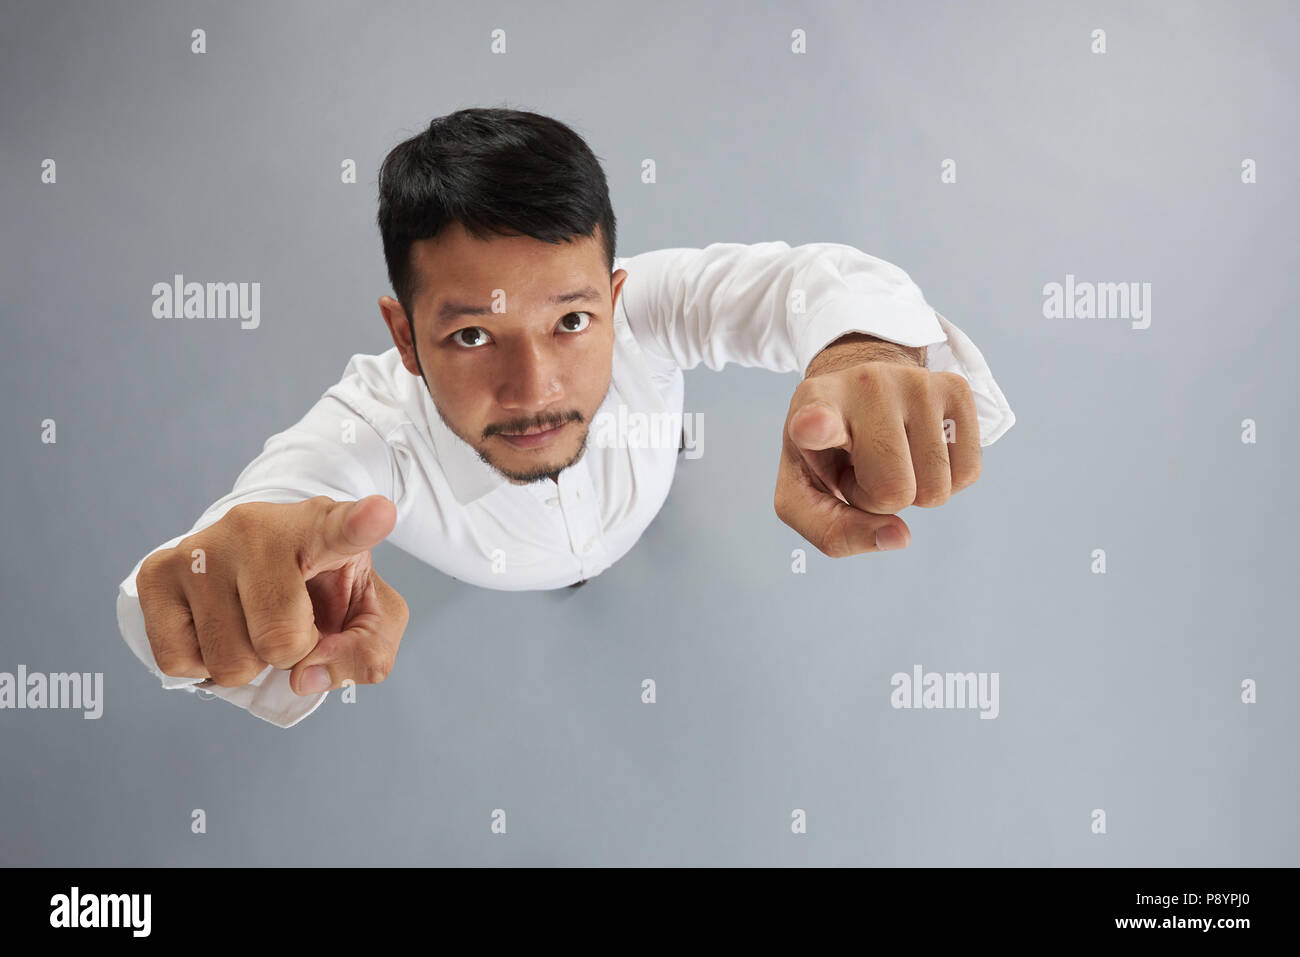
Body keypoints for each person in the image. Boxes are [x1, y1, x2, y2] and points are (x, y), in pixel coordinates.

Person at [116, 107, 1016, 728]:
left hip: (641, 497)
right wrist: (211, 578)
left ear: (616, 300)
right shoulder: (367, 428)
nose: (534, 385)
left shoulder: (649, 306)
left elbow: (807, 282)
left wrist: (863, 351)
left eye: (573, 321)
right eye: (471, 333)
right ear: (403, 333)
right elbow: (261, 520)